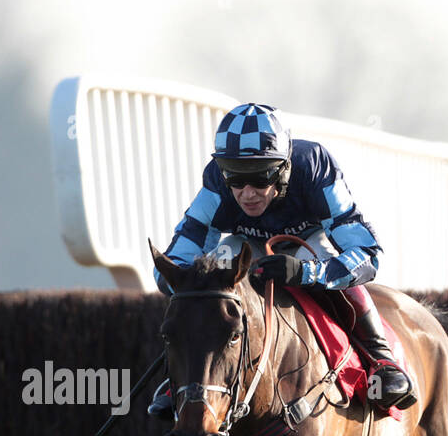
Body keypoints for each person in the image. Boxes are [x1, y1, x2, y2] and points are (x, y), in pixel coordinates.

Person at [149, 103, 415, 419]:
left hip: (307, 242)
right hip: (245, 247)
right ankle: (181, 382)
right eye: (235, 177)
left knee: (318, 255)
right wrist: (190, 283)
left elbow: (367, 252)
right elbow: (175, 260)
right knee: (216, 266)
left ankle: (381, 359)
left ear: (284, 169)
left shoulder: (314, 165)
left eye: (260, 177)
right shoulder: (216, 180)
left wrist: (307, 273)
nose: (247, 193)